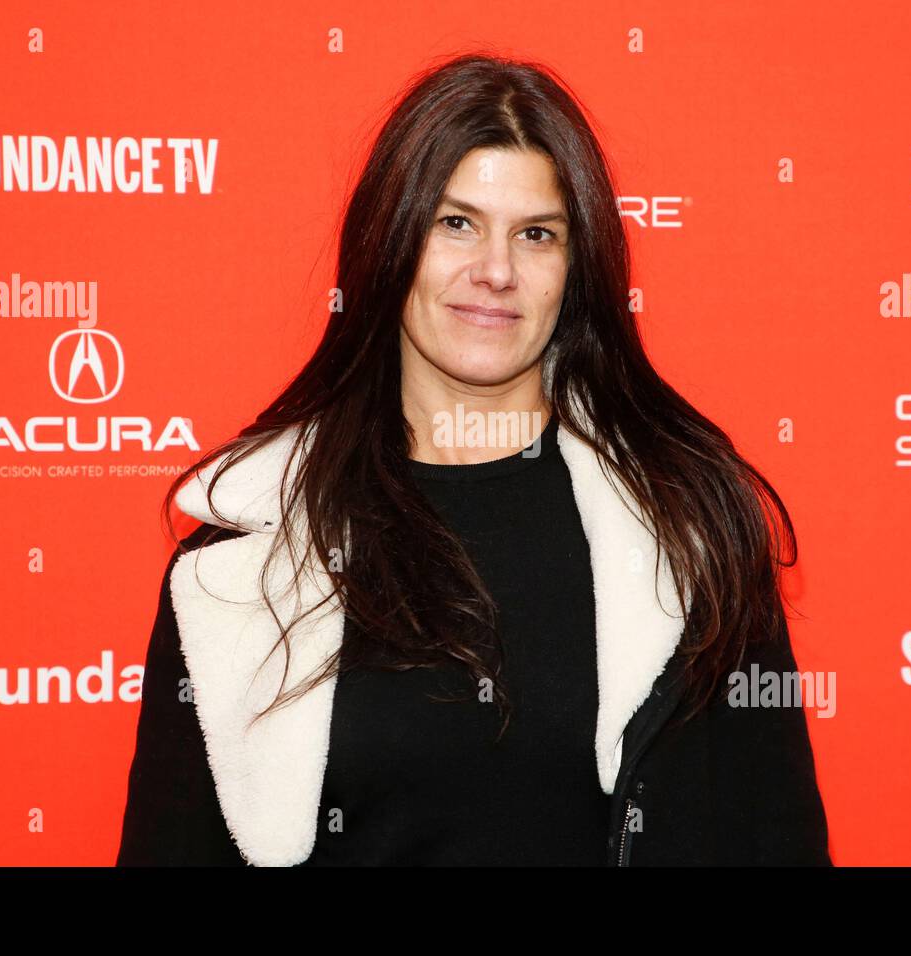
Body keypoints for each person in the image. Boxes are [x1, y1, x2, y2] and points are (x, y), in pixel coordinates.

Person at [116, 52, 832, 866]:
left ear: (577, 267)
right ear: (391, 242)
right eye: (455, 223)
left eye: (536, 234)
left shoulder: (687, 529)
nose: (495, 271)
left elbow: (778, 841)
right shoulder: (241, 563)